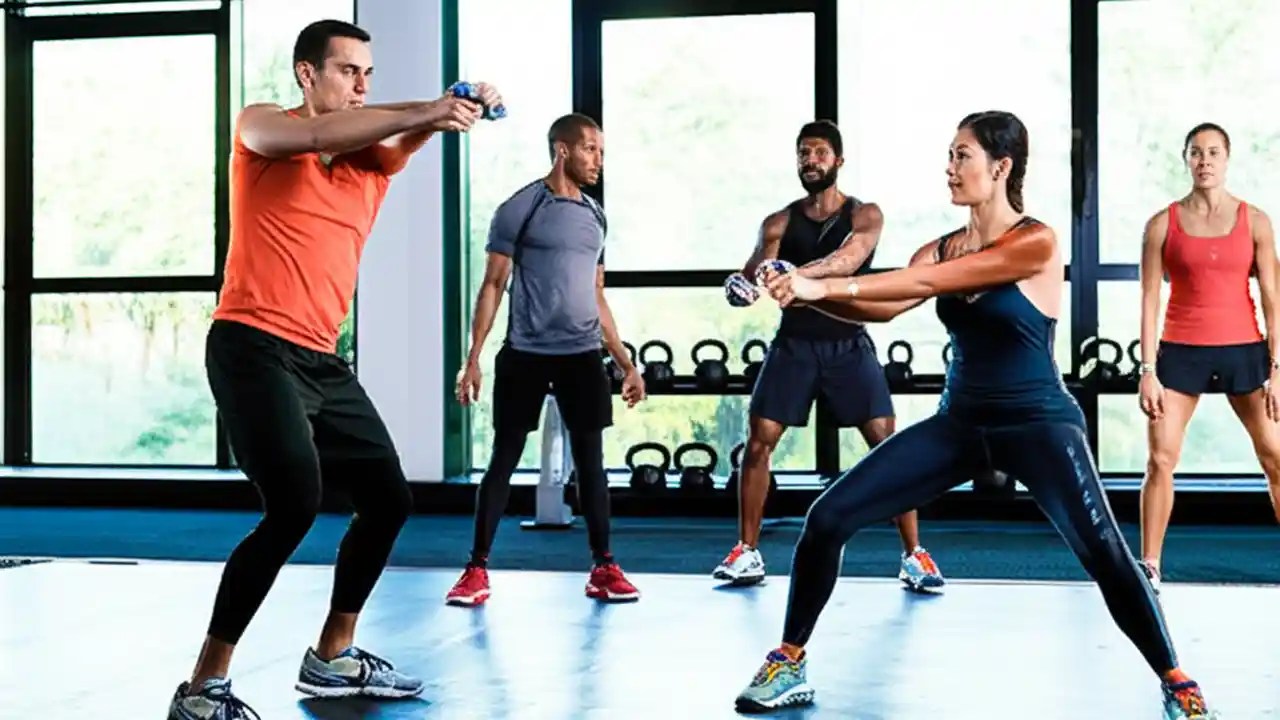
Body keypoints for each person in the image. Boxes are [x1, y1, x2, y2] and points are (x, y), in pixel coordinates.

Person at [733, 111, 1217, 720]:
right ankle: (790, 660)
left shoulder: (1035, 242)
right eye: (951, 154)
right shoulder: (937, 246)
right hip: (960, 423)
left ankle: (1178, 682)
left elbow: (940, 279)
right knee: (827, 517)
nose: (950, 167)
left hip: (1039, 423)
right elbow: (889, 304)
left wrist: (820, 286)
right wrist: (797, 291)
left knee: (1108, 556)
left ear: (1001, 167)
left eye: (962, 155)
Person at [167, 20, 501, 719]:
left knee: (389, 499)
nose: (361, 86)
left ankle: (332, 657)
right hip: (251, 343)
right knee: (293, 504)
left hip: (320, 359)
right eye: (349, 71)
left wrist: (450, 109)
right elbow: (318, 136)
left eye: (369, 75)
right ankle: (202, 691)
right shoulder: (262, 128)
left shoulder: (367, 163)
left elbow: (400, 139)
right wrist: (430, 107)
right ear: (306, 74)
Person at [716, 120, 946, 592]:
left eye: (820, 153)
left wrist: (798, 276)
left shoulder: (865, 215)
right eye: (803, 153)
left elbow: (849, 258)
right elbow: (754, 274)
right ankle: (747, 552)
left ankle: (914, 555)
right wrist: (741, 288)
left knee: (889, 446)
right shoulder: (778, 222)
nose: (810, 160)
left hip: (847, 342)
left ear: (838, 161)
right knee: (757, 442)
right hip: (795, 344)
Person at [446, 113, 645, 607]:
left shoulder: (596, 216)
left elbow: (596, 296)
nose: (599, 159)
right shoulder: (521, 207)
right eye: (591, 149)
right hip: (526, 354)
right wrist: (471, 358)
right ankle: (475, 570)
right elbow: (492, 285)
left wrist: (624, 361)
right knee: (503, 461)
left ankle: (603, 567)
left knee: (592, 466)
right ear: (562, 150)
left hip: (582, 356)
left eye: (600, 150)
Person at [1137, 121, 1280, 593]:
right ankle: (1150, 565)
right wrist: (1148, 371)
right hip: (1181, 351)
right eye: (1196, 153)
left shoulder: (1255, 220)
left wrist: (1277, 369)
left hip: (1245, 348)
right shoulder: (1162, 224)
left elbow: (1273, 300)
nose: (1205, 161)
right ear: (1186, 160)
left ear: (1227, 159)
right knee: (1160, 458)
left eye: (1213, 153)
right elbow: (1150, 299)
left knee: (1276, 456)